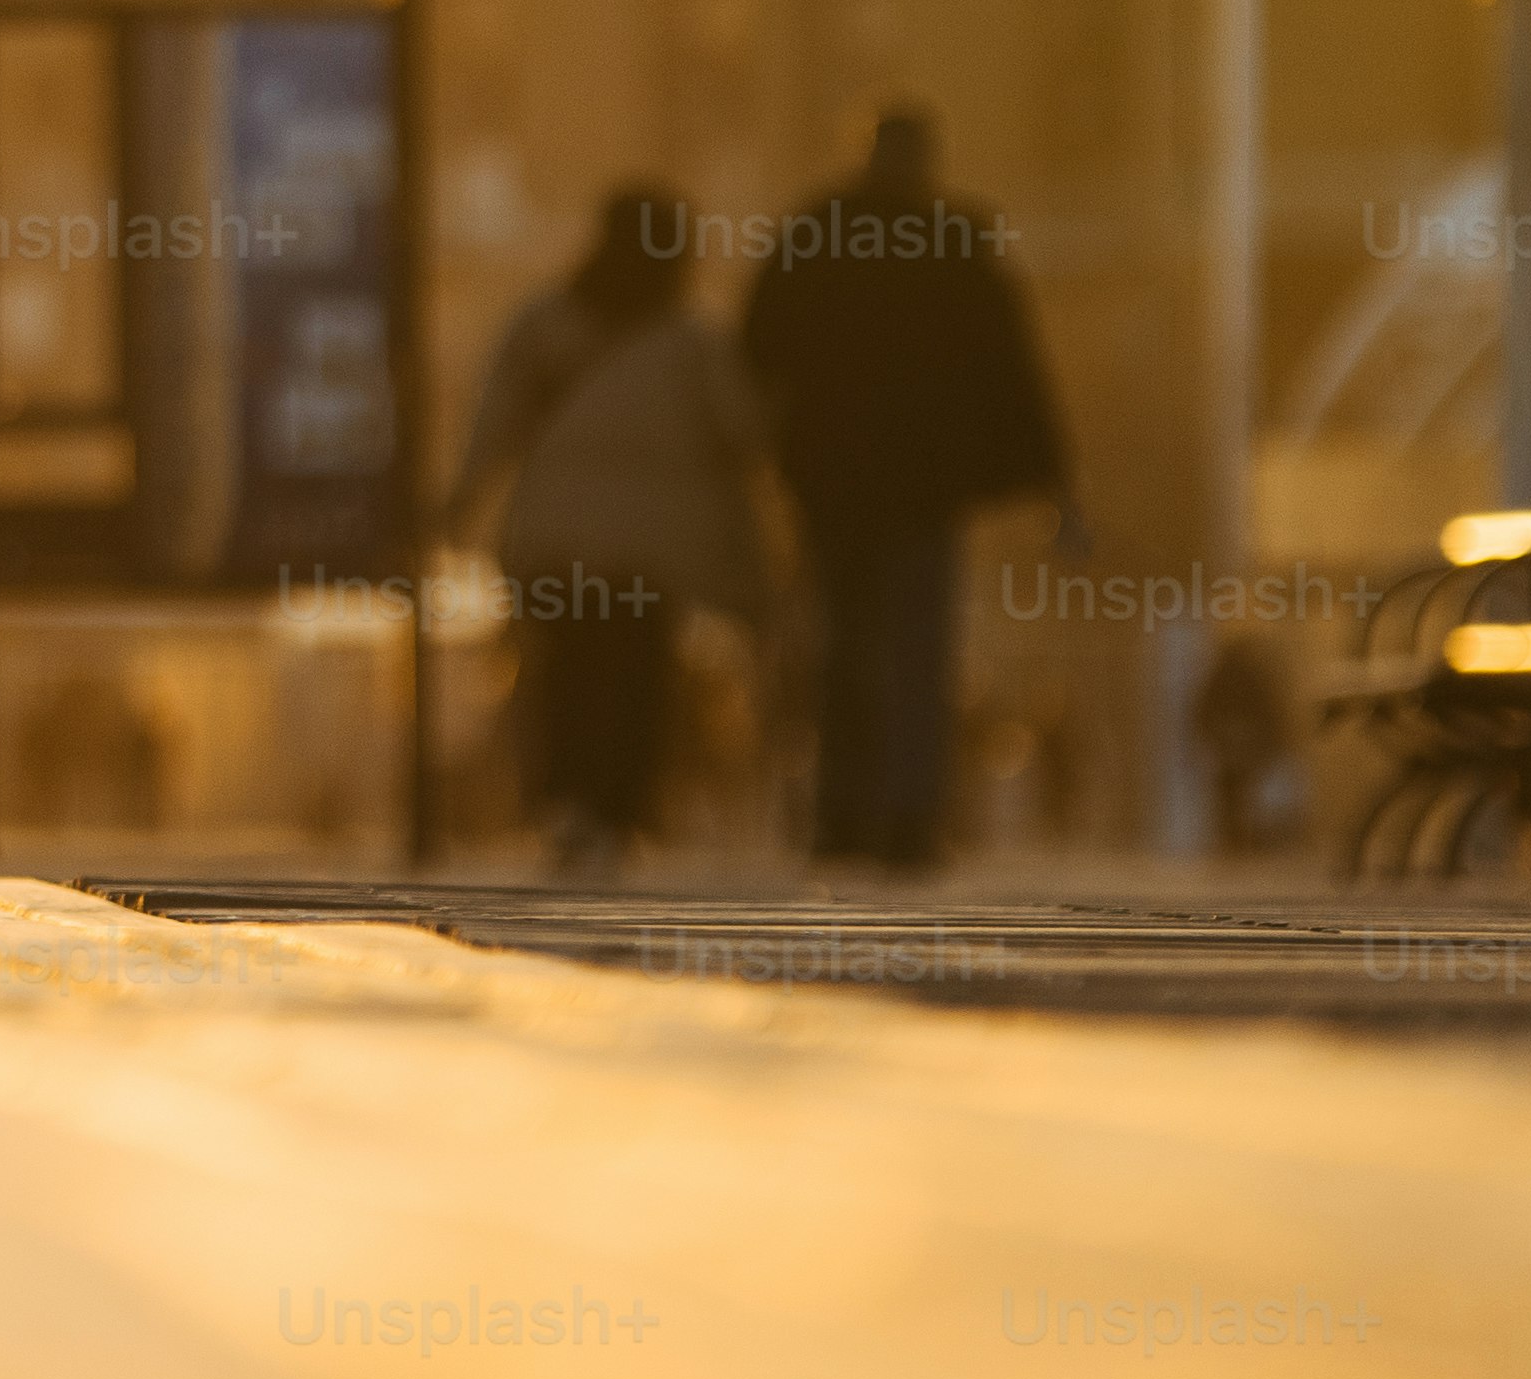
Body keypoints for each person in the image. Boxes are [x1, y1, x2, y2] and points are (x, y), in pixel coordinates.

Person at [734, 104, 1080, 872]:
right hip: (924, 484)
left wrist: (761, 455)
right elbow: (1011, 366)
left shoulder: (815, 233)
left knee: (842, 648)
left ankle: (841, 813)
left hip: (831, 481)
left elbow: (755, 349)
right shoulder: (955, 241)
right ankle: (909, 815)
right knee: (917, 651)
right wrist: (1054, 482)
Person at [449, 180, 790, 882]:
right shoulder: (693, 343)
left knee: (562, 672)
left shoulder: (541, 325)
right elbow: (746, 434)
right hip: (648, 551)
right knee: (633, 676)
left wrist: (458, 502)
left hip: (552, 537)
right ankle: (615, 810)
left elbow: (493, 423)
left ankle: (567, 803)